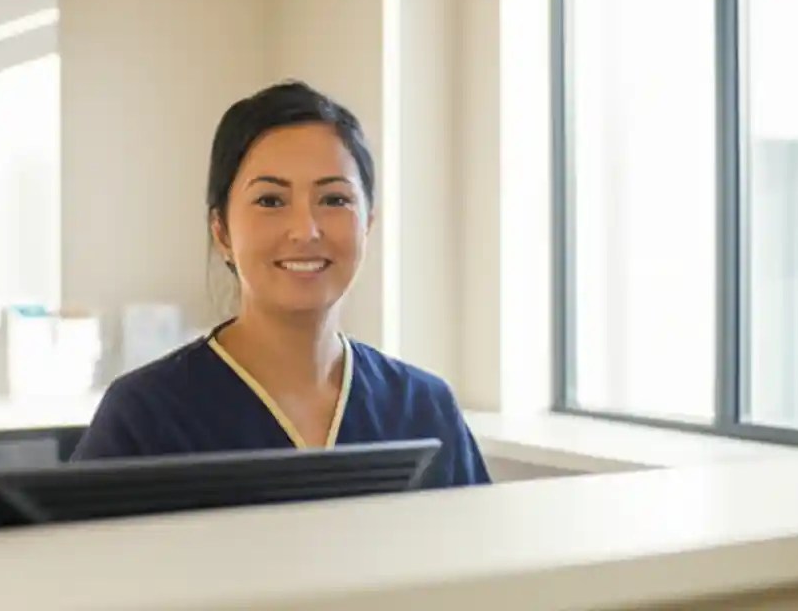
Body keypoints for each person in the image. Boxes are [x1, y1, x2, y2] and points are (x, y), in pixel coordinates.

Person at [71, 81, 491, 488]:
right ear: (221, 231)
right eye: (271, 201)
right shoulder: (146, 415)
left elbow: (483, 556)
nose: (305, 230)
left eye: (334, 200)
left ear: (368, 224)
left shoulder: (424, 409)